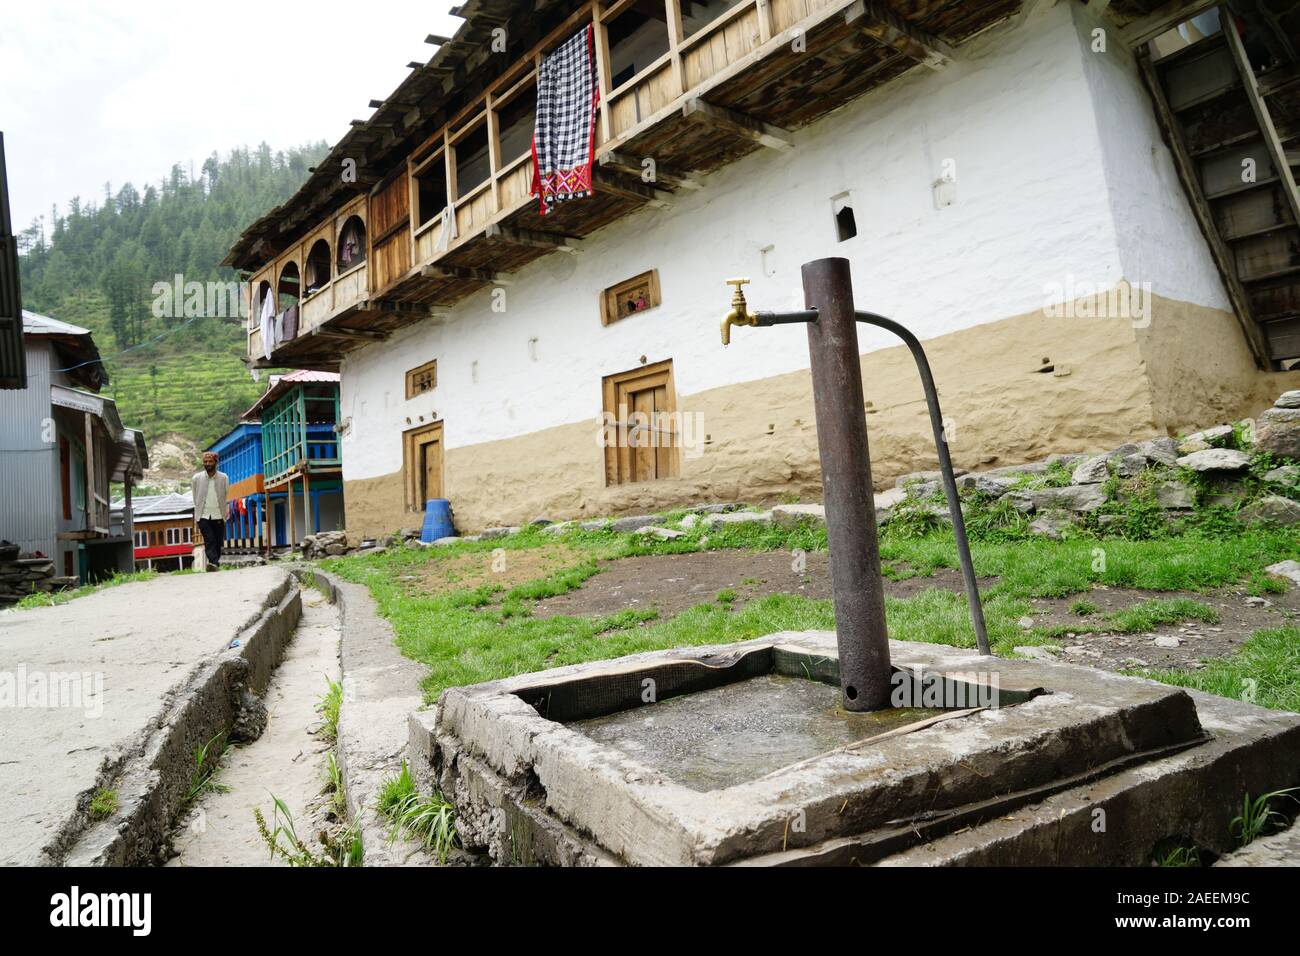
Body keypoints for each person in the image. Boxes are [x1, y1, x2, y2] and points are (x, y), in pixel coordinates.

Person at [192, 451, 230, 571]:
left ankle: (214, 563)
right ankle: (213, 563)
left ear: (216, 463)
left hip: (218, 514)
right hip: (203, 515)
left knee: (218, 541)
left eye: (210, 461)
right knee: (209, 539)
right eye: (205, 462)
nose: (207, 464)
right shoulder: (196, 478)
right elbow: (195, 496)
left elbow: (226, 495)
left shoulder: (224, 478)